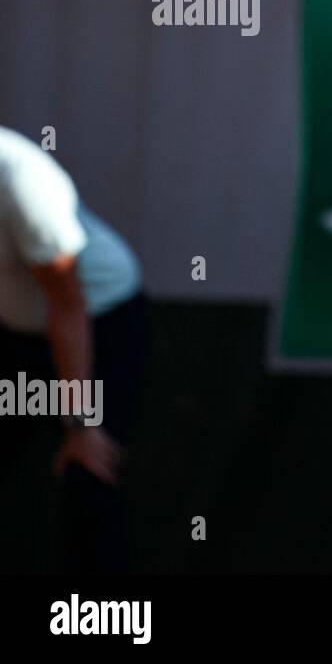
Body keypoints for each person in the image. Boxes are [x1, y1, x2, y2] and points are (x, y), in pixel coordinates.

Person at [0, 124, 149, 572]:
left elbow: (67, 304)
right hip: (16, 329)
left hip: (97, 326)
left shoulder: (23, 180)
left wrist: (80, 423)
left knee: (88, 472)